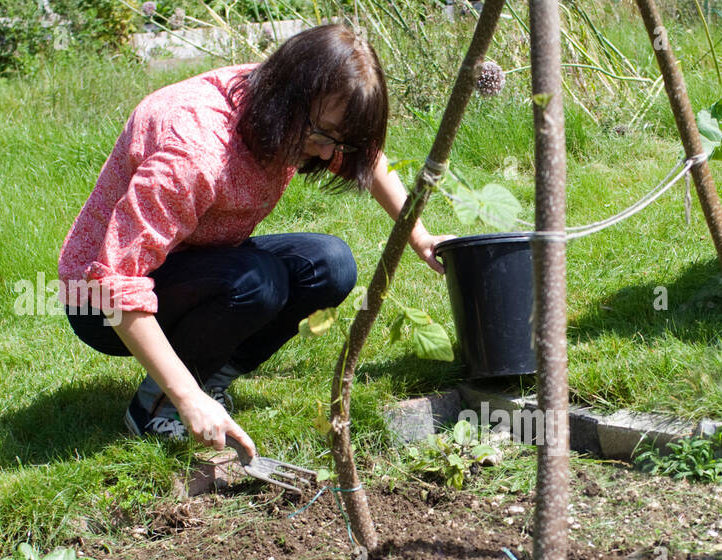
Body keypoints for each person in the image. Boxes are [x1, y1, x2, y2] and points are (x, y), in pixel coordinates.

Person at [58, 23, 452, 458]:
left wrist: (418, 235)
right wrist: (189, 400)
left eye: (337, 141)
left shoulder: (288, 104)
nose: (326, 154)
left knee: (332, 264)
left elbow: (365, 158)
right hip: (97, 299)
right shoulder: (195, 153)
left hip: (193, 260)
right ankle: (158, 406)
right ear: (286, 97)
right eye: (322, 137)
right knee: (257, 283)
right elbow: (117, 285)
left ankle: (211, 377)